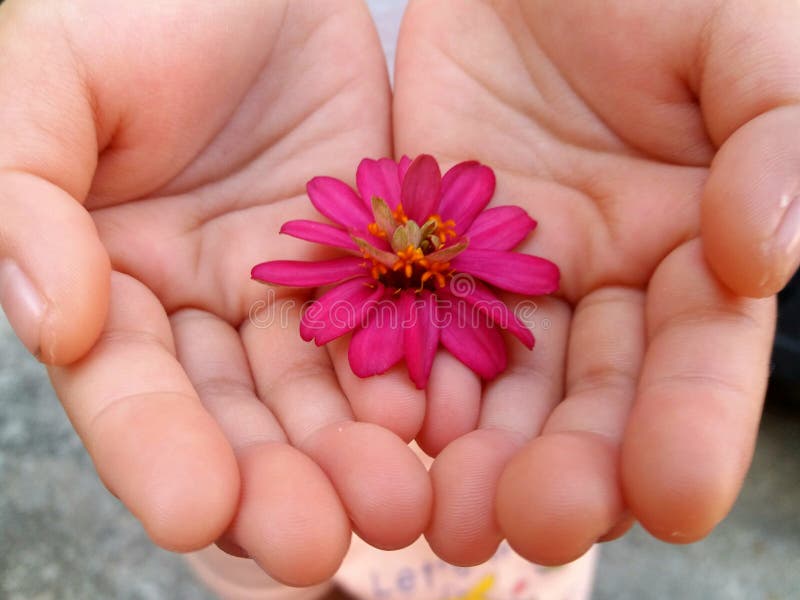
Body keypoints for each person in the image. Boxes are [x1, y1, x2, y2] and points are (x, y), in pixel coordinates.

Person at [0, 0, 797, 598]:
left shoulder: (476, 253)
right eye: (404, 242)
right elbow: (308, 302)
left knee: (526, 526)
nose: (412, 245)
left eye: (421, 244)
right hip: (238, 317)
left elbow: (505, 269)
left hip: (520, 450)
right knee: (262, 533)